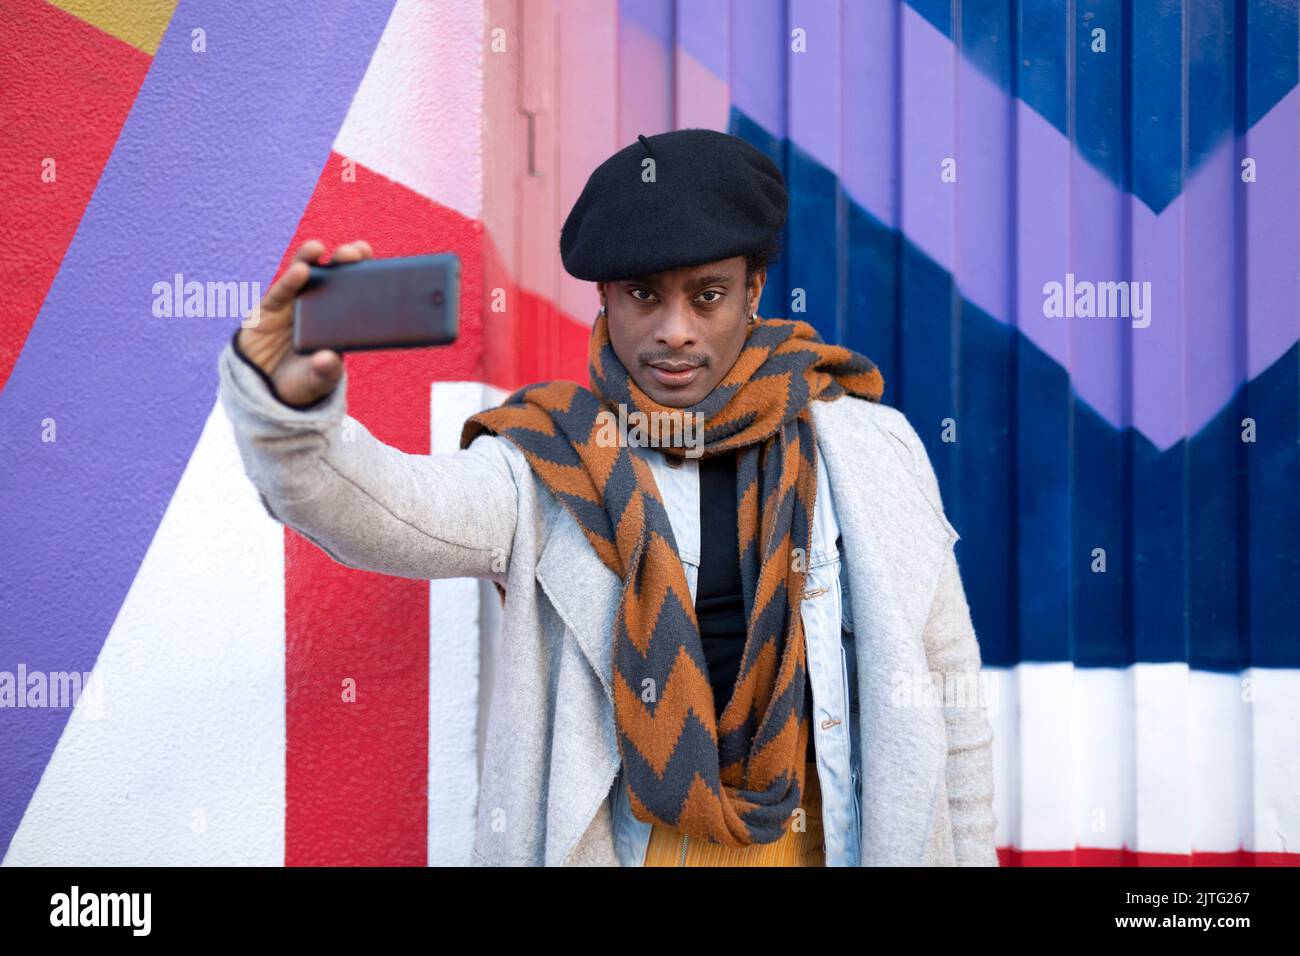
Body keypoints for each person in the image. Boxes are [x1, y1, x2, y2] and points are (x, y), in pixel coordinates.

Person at [218, 128, 997, 866]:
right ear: (605, 301)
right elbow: (379, 511)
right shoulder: (548, 456)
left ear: (753, 290)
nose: (675, 331)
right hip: (635, 844)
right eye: (643, 295)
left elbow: (948, 693)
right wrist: (289, 417)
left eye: (708, 296)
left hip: (831, 840)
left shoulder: (866, 447)